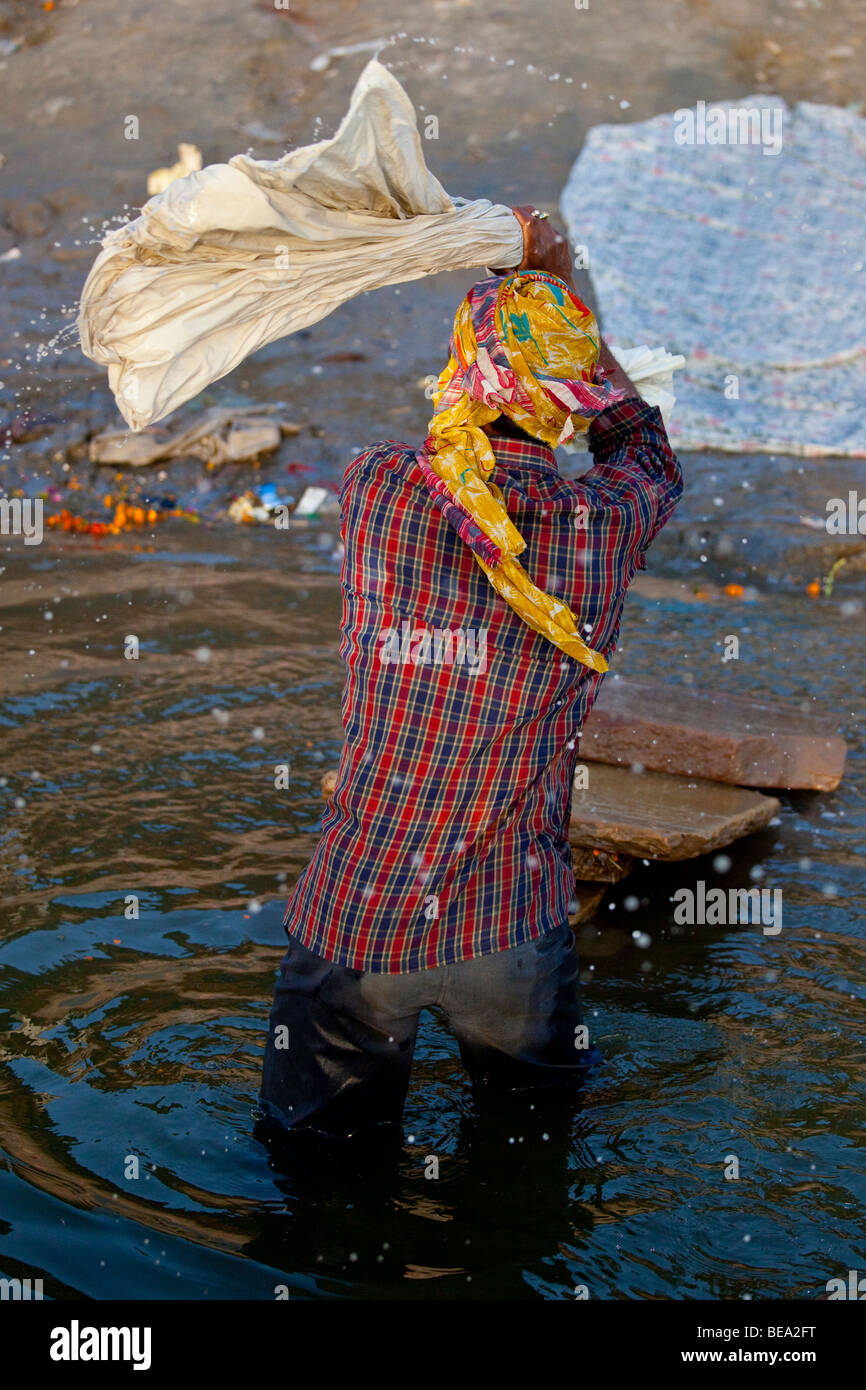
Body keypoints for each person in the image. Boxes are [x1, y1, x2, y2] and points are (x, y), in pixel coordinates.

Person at [258, 206, 683, 1139]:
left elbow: (456, 435)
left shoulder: (378, 490)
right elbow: (642, 443)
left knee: (316, 1179)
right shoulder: (608, 522)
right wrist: (564, 284)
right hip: (514, 936)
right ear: (565, 401)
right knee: (531, 1154)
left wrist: (525, 282)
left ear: (461, 374)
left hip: (361, 920)